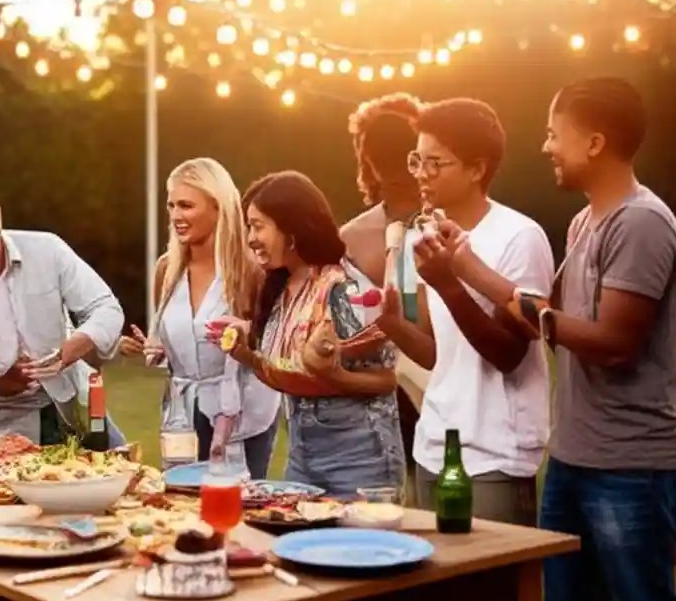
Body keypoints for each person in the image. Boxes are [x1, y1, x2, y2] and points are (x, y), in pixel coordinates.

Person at [449, 78, 676, 601]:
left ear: (596, 143)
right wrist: (456, 272)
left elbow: (613, 344)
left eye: (555, 134)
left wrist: (473, 273)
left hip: (632, 468)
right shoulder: (585, 223)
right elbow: (546, 313)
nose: (546, 147)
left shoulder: (641, 223)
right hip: (573, 461)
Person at [375, 98, 553, 526]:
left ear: (476, 169)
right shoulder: (426, 234)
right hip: (432, 443)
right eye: (417, 159)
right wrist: (391, 324)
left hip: (494, 454)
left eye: (435, 163)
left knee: (491, 571)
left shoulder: (519, 237)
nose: (421, 173)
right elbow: (438, 356)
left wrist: (449, 284)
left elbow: (508, 354)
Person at [219, 171, 405, 498]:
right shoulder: (281, 286)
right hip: (301, 456)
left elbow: (388, 379)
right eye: (249, 227)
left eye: (258, 226)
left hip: (359, 459)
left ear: (292, 231)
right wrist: (245, 349)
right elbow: (289, 368)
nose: (250, 239)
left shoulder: (342, 288)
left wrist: (335, 376)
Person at [0, 168, 127, 446]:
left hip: (76, 403)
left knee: (121, 469)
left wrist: (71, 350)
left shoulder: (47, 249)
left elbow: (106, 308)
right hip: (7, 420)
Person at [118, 158, 279, 476]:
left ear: (218, 208)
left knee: (238, 501)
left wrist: (247, 332)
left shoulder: (252, 270)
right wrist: (156, 349)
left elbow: (274, 342)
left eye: (187, 206)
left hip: (243, 418)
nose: (176, 215)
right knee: (180, 498)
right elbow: (178, 347)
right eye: (171, 205)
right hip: (183, 416)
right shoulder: (167, 269)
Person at [340, 92, 426, 472]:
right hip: (372, 399)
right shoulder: (350, 238)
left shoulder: (455, 226)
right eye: (379, 151)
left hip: (442, 391)